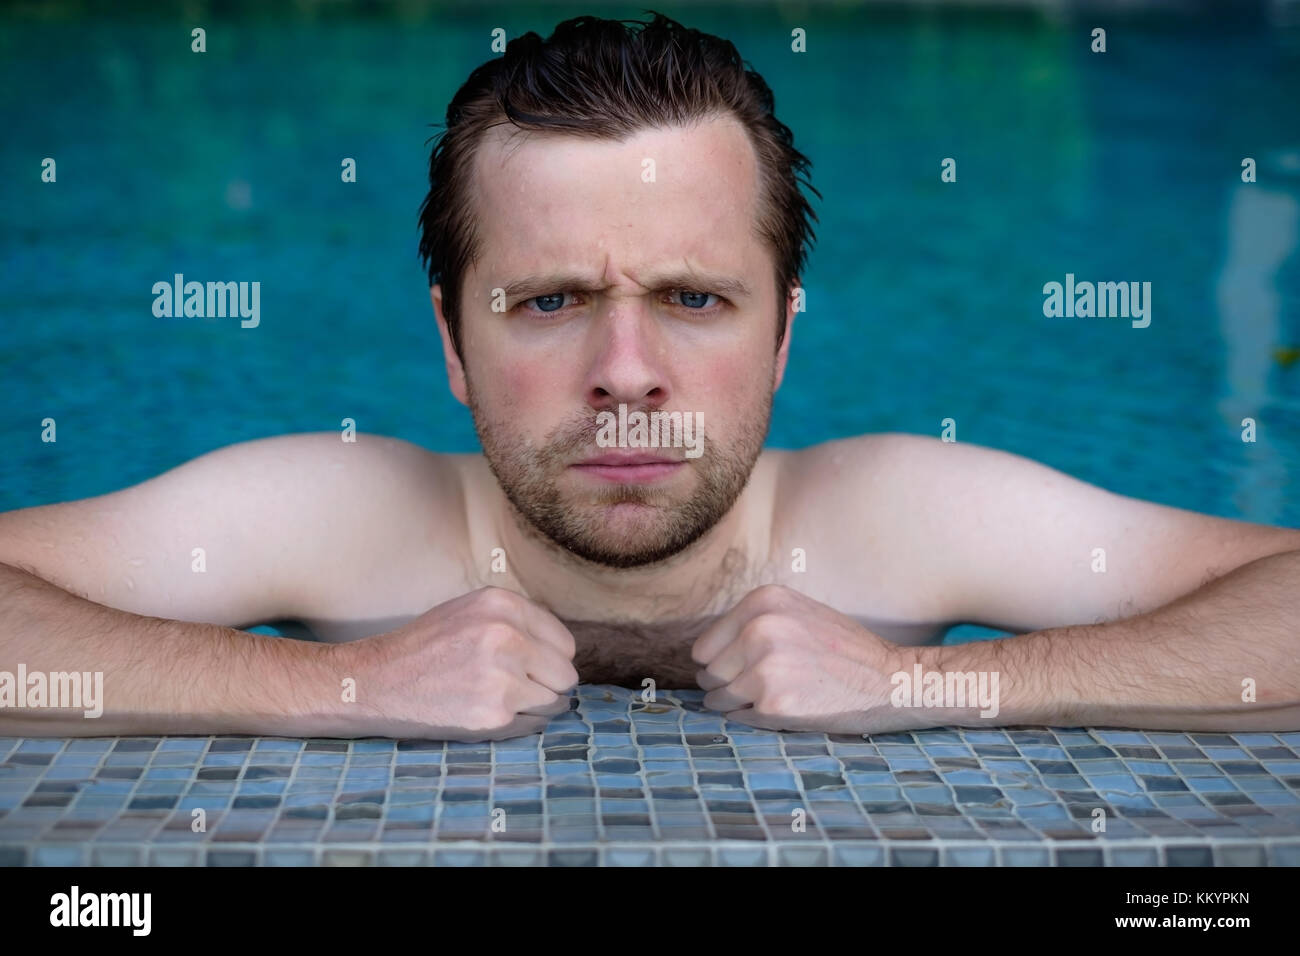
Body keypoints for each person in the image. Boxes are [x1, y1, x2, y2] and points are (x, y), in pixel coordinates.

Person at [3, 13, 1298, 741]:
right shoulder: (330, 518)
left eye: (693, 300)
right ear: (453, 344)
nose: (626, 374)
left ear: (783, 339)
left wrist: (929, 685)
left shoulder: (904, 517)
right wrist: (337, 687)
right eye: (551, 302)